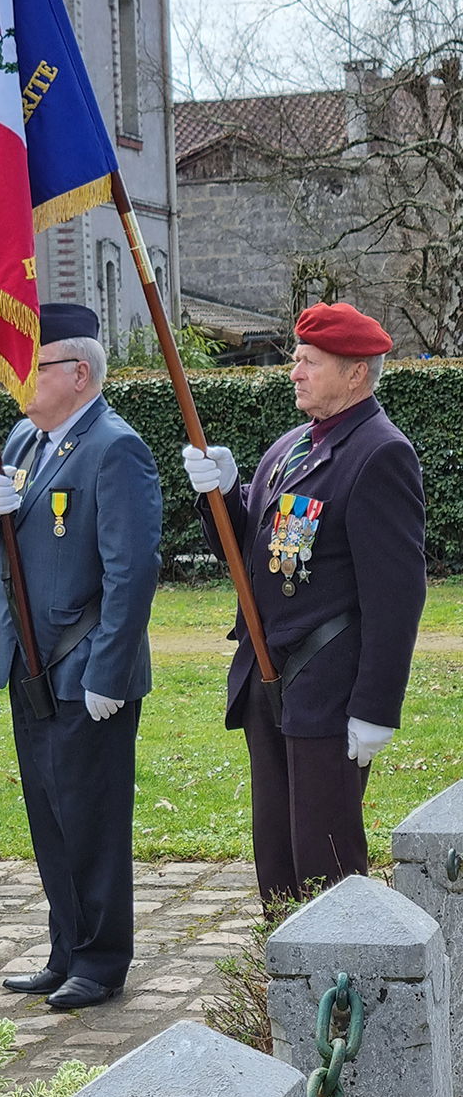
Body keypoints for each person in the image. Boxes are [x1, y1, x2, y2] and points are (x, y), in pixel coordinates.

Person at [181, 301, 426, 906]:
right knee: (277, 854)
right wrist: (222, 497)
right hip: (269, 679)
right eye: (296, 359)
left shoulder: (379, 453)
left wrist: (376, 707)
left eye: (310, 361)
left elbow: (396, 597)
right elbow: (249, 552)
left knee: (326, 861)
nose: (295, 372)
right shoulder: (292, 447)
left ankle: (345, 965)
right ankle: (285, 962)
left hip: (328, 689)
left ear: (355, 373)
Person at [0, 304, 162, 1009]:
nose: (18, 379)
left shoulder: (115, 447)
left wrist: (110, 671)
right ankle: (66, 949)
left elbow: (132, 572)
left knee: (91, 821)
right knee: (50, 818)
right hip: (30, 664)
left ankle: (101, 961)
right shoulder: (23, 439)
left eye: (32, 366)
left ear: (79, 373)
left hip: (85, 669)